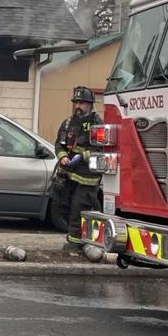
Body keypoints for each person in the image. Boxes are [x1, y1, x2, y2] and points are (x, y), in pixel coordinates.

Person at [53, 86, 103, 252]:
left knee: (78, 208)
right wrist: (63, 157)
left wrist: (82, 156)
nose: (78, 106)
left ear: (90, 104)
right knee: (63, 206)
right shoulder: (68, 123)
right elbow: (59, 144)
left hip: (87, 176)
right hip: (69, 174)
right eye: (76, 102)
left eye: (82, 103)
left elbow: (101, 149)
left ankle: (76, 243)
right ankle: (74, 238)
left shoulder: (97, 124)